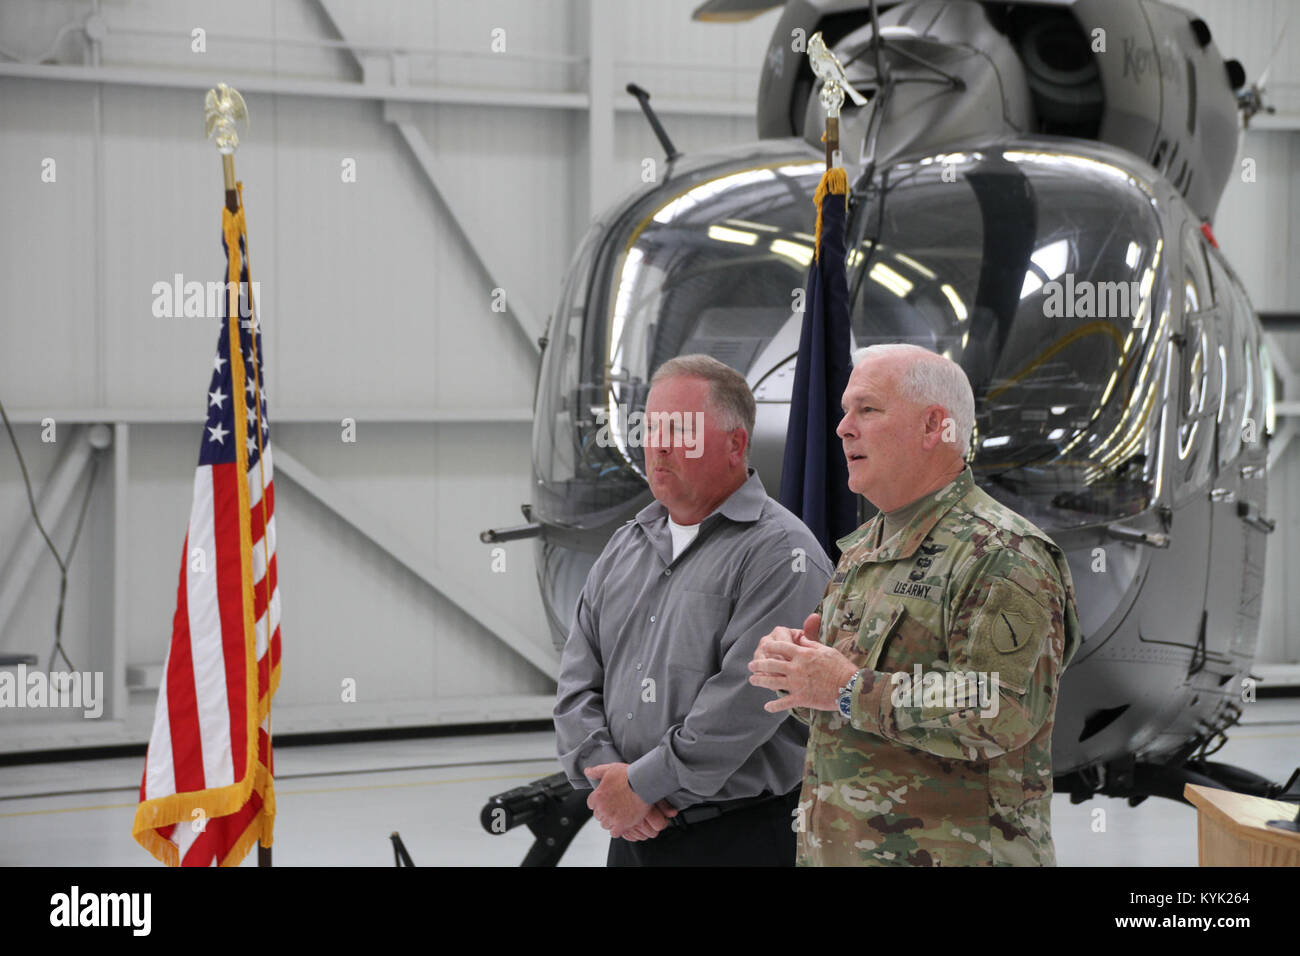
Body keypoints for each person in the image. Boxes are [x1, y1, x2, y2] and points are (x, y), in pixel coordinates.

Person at [748, 343, 1082, 866]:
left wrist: (846, 687)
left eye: (868, 409)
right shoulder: (864, 549)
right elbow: (849, 715)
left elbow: (1001, 710)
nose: (842, 428)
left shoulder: (1002, 554)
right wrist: (800, 673)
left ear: (933, 427)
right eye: (844, 411)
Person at [554, 354, 833, 866]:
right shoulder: (624, 547)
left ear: (735, 444)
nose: (658, 445)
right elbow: (576, 683)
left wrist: (639, 786)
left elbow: (744, 704)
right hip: (631, 835)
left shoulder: (782, 554)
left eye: (680, 429)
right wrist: (610, 782)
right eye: (653, 426)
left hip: (738, 839)